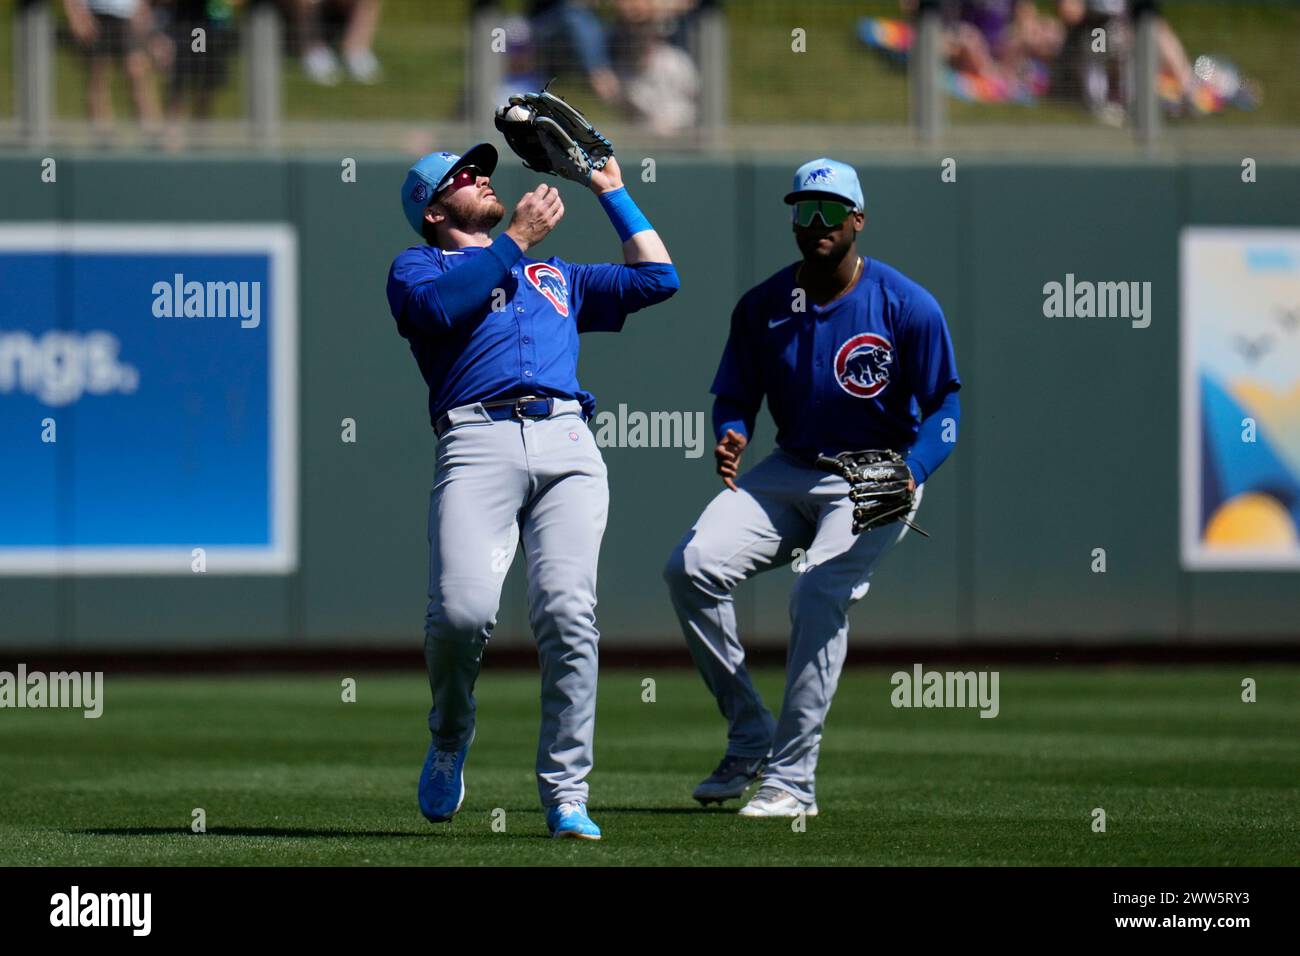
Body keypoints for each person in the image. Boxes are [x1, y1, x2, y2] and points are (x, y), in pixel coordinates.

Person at [385, 145, 678, 840]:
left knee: (569, 616)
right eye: (462, 177)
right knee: (461, 614)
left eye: (482, 169)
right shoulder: (417, 265)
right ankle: (451, 734)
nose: (481, 177)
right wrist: (513, 239)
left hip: (567, 439)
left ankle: (566, 794)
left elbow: (659, 279)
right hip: (475, 439)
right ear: (432, 210)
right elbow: (435, 309)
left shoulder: (554, 272)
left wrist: (612, 188)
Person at [663, 158, 961, 817]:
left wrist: (910, 474)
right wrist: (732, 430)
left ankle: (793, 783)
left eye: (830, 211)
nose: (816, 223)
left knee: (817, 589)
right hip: (792, 466)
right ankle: (750, 733)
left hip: (876, 472)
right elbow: (734, 395)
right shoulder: (765, 305)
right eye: (804, 210)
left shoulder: (905, 304)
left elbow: (946, 409)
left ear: (857, 221)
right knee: (689, 566)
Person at [63, 0, 164, 136]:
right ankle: (103, 141)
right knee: (98, 79)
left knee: (138, 75)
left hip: (128, 14)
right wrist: (75, 14)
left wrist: (143, 10)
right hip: (95, 14)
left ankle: (153, 137)